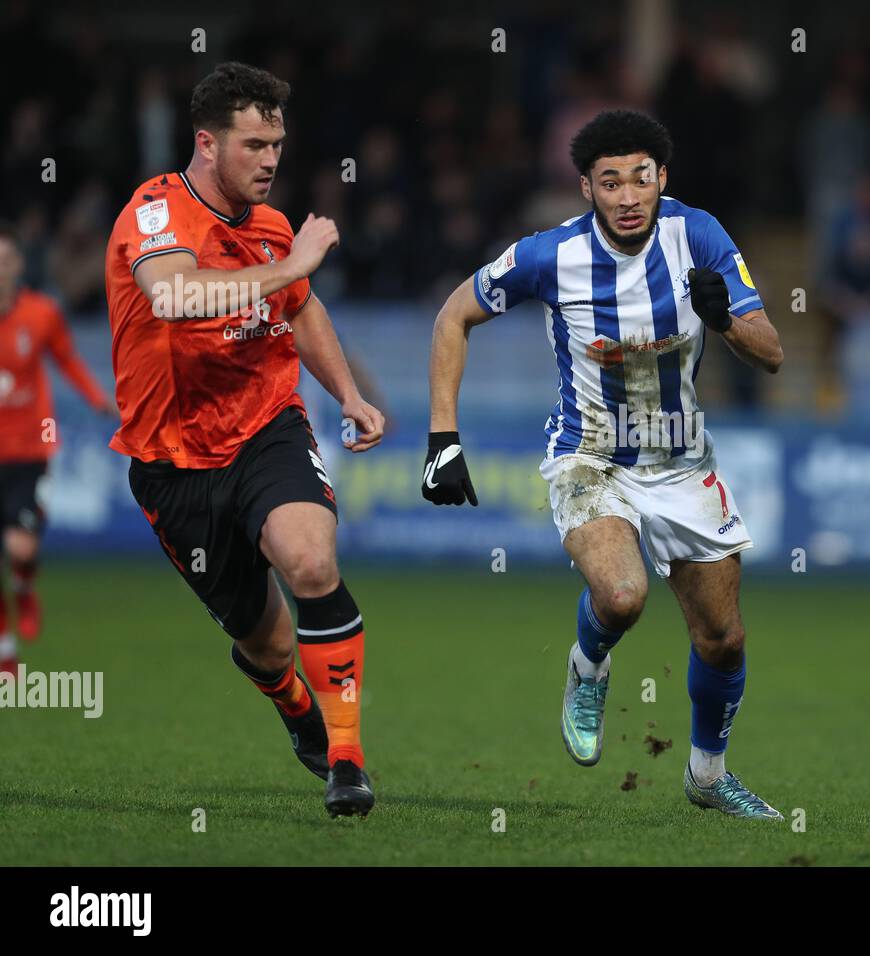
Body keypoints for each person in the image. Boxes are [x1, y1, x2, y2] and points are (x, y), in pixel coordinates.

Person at [423, 110, 785, 818]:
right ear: (585, 187)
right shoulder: (548, 255)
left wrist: (726, 319)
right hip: (589, 458)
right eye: (610, 181)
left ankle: (708, 777)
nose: (627, 195)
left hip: (682, 463)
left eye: (640, 178)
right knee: (622, 595)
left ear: (662, 179)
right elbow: (452, 316)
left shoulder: (700, 235)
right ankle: (589, 665)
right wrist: (443, 437)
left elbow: (771, 352)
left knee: (723, 637)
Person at [103, 62, 384, 817]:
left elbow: (301, 308)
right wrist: (292, 265)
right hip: (173, 465)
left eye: (278, 145)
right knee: (267, 645)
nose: (270, 160)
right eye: (255, 144)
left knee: (310, 558)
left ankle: (347, 759)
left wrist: (349, 395)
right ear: (206, 143)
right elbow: (174, 295)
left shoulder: (270, 229)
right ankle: (295, 707)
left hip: (266, 426)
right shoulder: (156, 211)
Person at [0, 223, 112, 675]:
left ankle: (24, 588)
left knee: (21, 548)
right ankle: (6, 651)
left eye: (6, 260)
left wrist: (95, 397)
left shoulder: (41, 313)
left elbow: (66, 360)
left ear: (18, 266)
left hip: (32, 445)